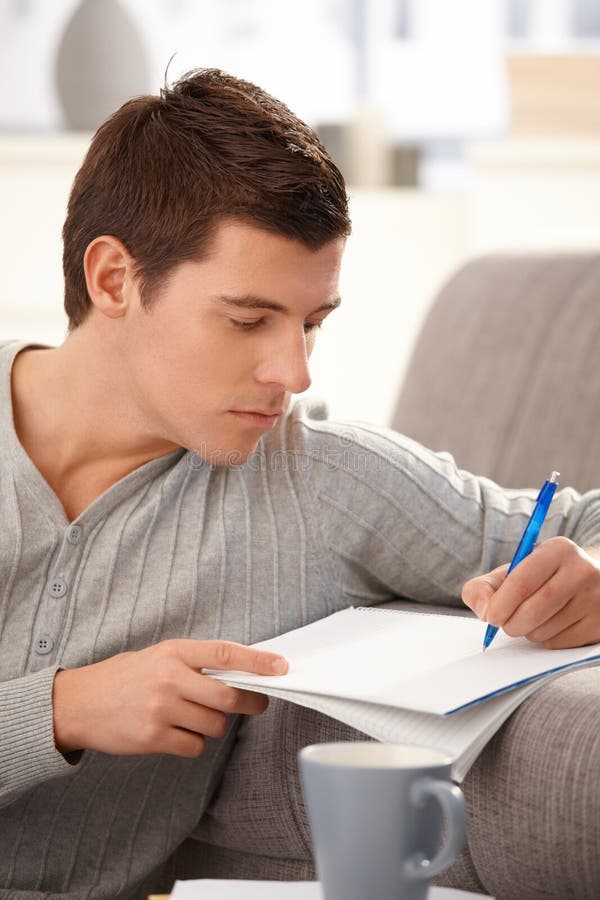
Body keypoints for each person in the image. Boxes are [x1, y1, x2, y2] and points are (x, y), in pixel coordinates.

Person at [1, 67, 599, 899]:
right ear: (113, 280)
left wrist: (589, 576)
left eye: (312, 322)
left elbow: (583, 520)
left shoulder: (317, 484)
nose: (294, 372)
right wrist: (57, 712)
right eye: (248, 320)